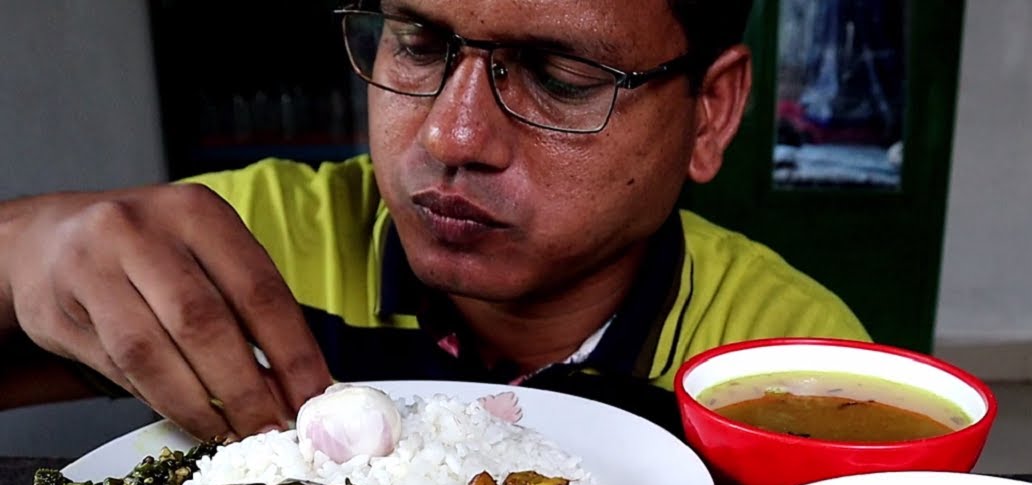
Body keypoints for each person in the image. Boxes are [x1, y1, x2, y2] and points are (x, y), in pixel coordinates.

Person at [0, 0, 870, 442]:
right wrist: (21, 254)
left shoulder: (795, 366)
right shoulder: (251, 244)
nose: (452, 136)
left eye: (561, 77)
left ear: (711, 113)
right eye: (418, 43)